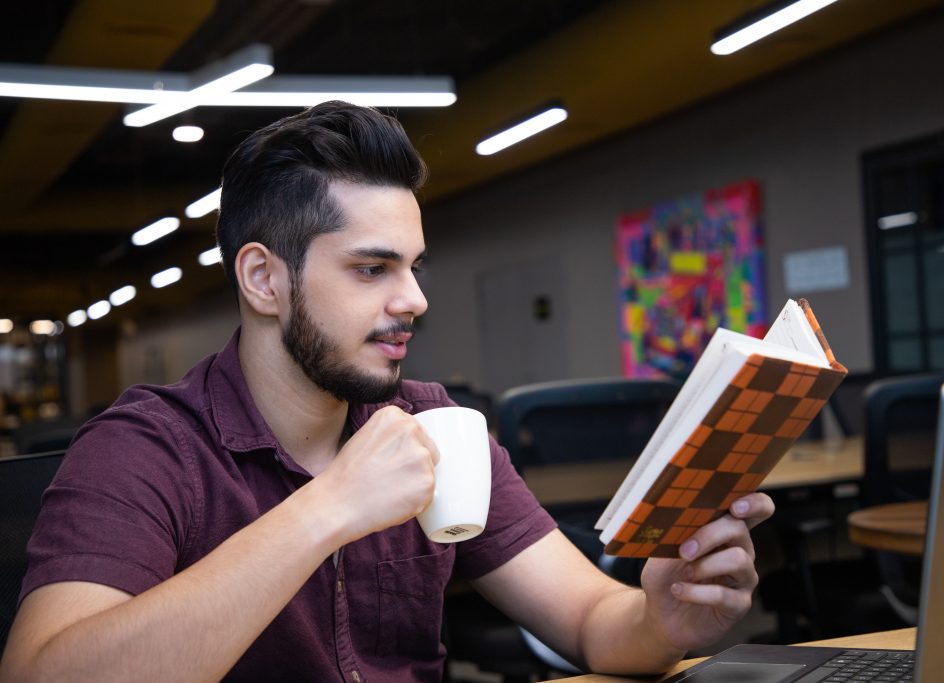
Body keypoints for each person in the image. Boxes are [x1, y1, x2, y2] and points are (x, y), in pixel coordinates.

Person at [0, 101, 774, 683]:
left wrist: (660, 617)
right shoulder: (144, 447)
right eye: (373, 269)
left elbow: (589, 618)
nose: (414, 298)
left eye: (414, 266)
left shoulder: (437, 427)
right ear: (265, 280)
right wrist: (330, 507)